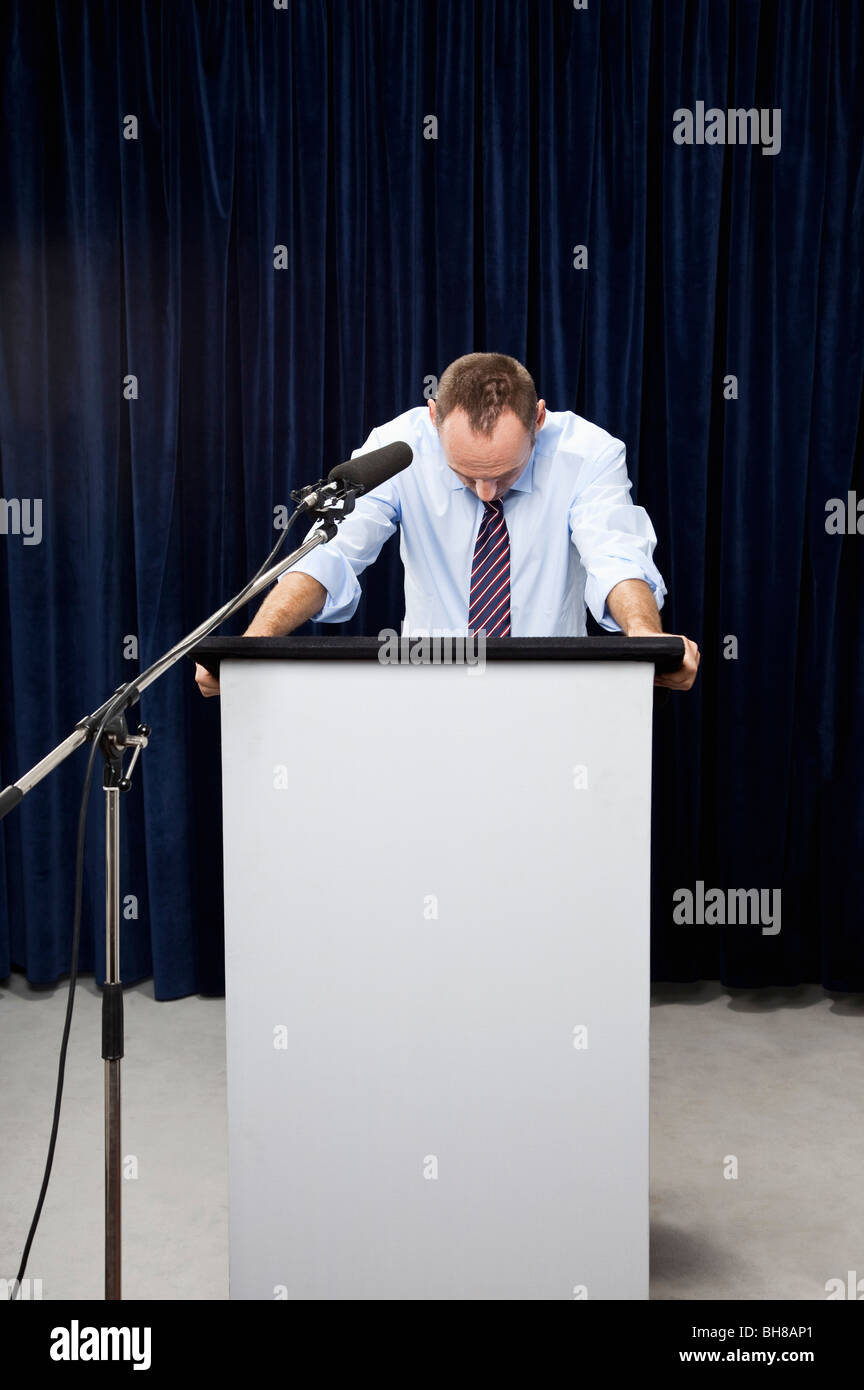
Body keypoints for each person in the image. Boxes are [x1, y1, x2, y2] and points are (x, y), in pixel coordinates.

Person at [195, 352, 700, 695]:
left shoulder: (587, 453)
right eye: (466, 473)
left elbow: (615, 554)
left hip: (552, 692)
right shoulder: (397, 447)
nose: (485, 494)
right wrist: (252, 649)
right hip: (427, 691)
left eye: (505, 474)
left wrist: (644, 643)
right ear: (434, 417)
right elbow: (331, 550)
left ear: (539, 420)